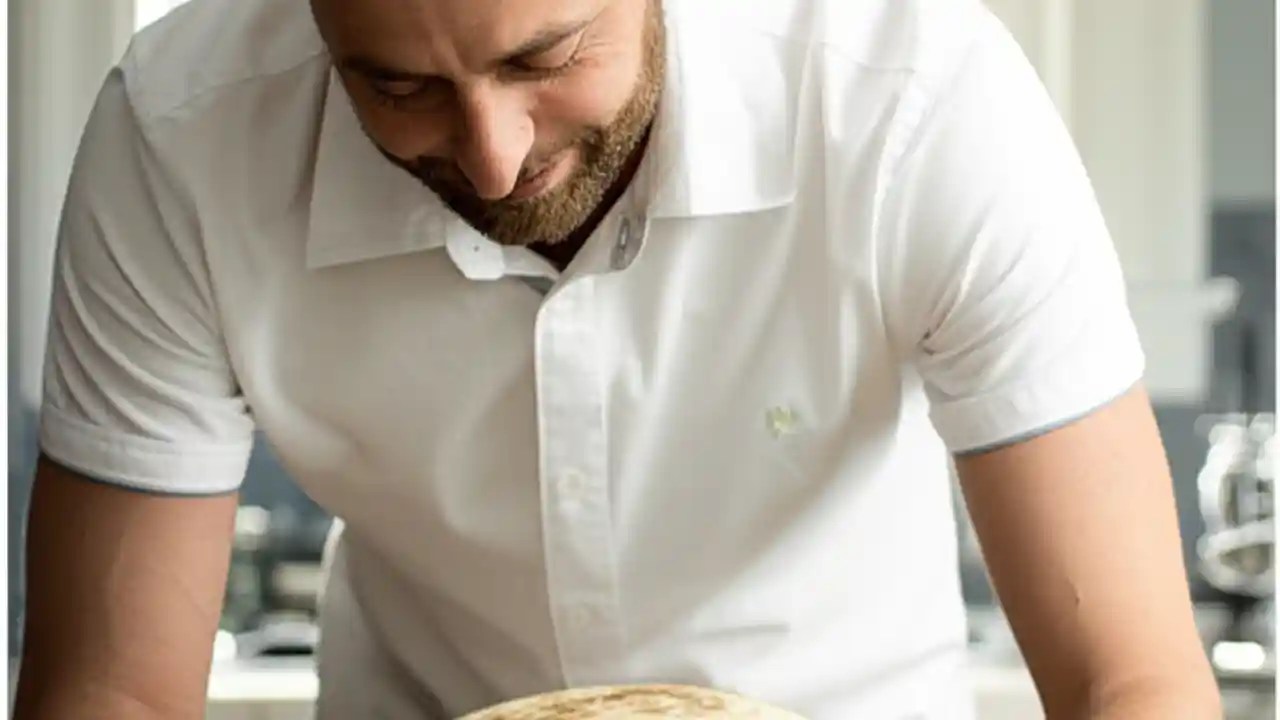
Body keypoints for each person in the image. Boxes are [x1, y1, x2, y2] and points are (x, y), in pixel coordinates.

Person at [13, 0, 1222, 717]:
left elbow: (1128, 676)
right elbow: (111, 691)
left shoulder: (913, 95)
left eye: (542, 59)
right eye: (398, 88)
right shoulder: (181, 134)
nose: (491, 161)